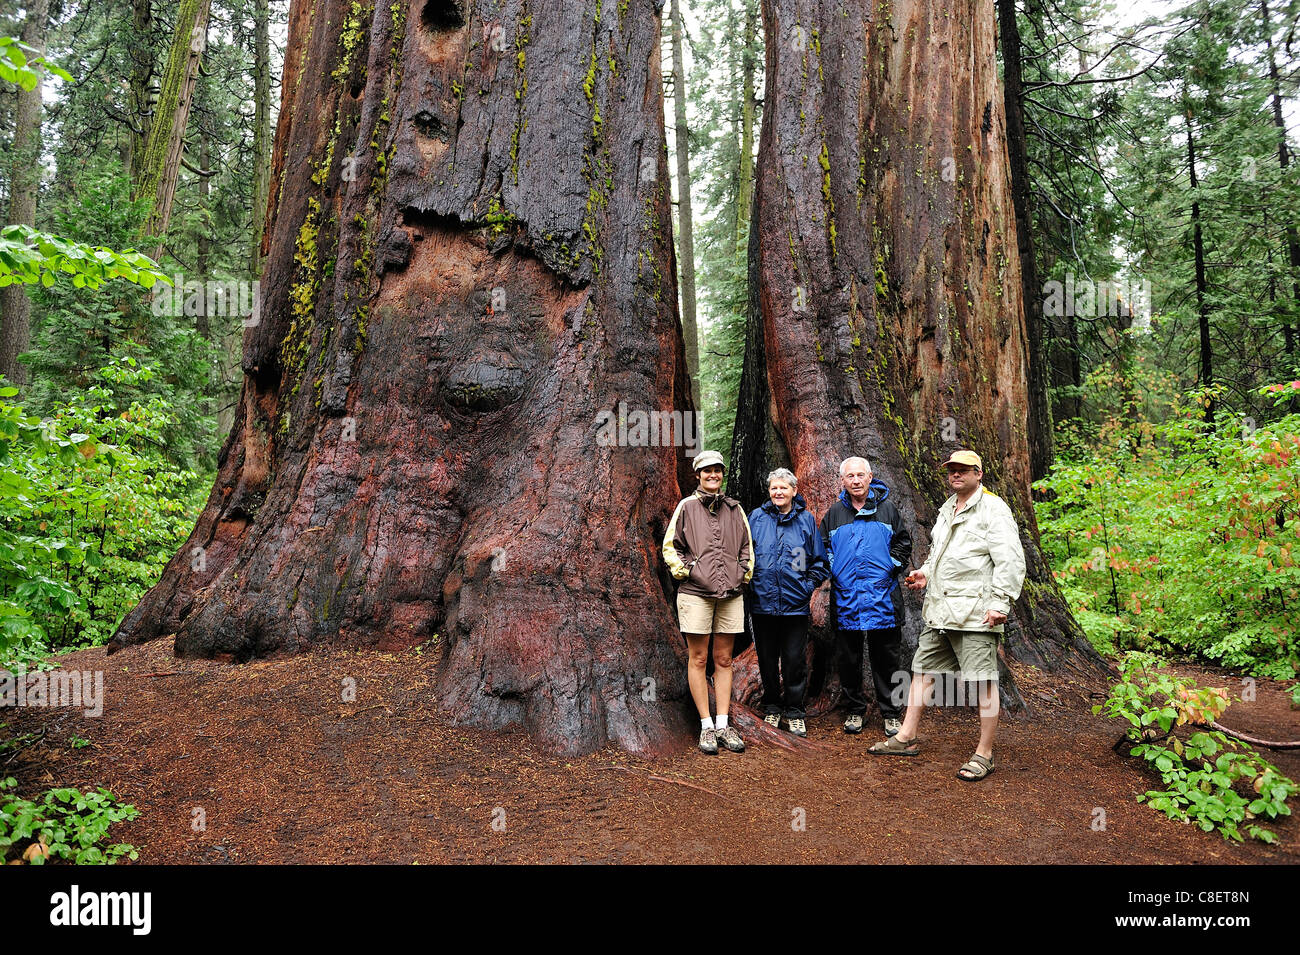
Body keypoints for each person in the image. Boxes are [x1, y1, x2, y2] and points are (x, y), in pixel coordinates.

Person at [868, 450, 1026, 782]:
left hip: (975, 613)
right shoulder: (946, 509)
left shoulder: (993, 510)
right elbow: (941, 556)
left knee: (983, 681)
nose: (955, 475)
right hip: (940, 610)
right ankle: (906, 736)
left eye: (963, 470)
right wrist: (925, 573)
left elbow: (1010, 561)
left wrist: (1001, 602)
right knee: (922, 670)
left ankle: (984, 754)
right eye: (951, 470)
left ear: (978, 473)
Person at [663, 450, 754, 755]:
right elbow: (670, 547)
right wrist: (689, 572)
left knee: (724, 659)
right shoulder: (687, 507)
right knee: (699, 659)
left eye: (717, 470)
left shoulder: (734, 508)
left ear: (722, 474)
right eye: (707, 471)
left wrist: (742, 575)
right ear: (698, 475)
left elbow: (746, 547)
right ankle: (706, 727)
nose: (712, 475)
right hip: (695, 594)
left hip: (730, 595)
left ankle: (724, 723)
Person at [821, 457, 912, 737]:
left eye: (861, 475)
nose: (856, 481)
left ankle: (891, 713)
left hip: (882, 598)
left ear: (870, 477)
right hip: (847, 599)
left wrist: (889, 569)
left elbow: (903, 543)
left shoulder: (887, 510)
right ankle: (855, 710)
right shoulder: (835, 513)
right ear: (843, 481)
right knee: (849, 660)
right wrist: (836, 568)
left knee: (887, 658)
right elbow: (822, 547)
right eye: (850, 476)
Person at [747, 468, 830, 737]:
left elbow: (818, 561)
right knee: (767, 660)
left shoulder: (806, 520)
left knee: (794, 660)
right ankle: (772, 707)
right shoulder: (756, 518)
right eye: (774, 488)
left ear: (794, 490)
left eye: (783, 488)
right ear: (769, 492)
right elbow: (743, 553)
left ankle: (795, 712)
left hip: (795, 606)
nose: (778, 492)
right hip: (762, 605)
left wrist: (806, 587)